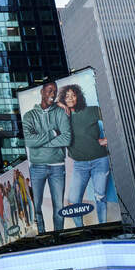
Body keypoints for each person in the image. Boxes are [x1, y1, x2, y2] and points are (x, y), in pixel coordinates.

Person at [22, 79, 71, 233]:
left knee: (59, 206)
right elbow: (29, 141)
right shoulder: (29, 116)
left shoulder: (60, 113)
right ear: (42, 92)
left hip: (57, 166)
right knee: (35, 206)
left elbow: (67, 138)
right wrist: (52, 133)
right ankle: (42, 236)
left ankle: (59, 236)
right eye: (49, 90)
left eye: (55, 91)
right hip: (36, 167)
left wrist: (42, 143)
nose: (53, 94)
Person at [61, 83, 111, 227]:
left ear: (78, 97)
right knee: (73, 201)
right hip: (80, 165)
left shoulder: (91, 111)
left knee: (100, 196)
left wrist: (108, 139)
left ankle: (103, 226)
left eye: (73, 95)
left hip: (99, 161)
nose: (70, 98)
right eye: (66, 96)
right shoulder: (62, 119)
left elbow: (112, 119)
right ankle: (81, 230)